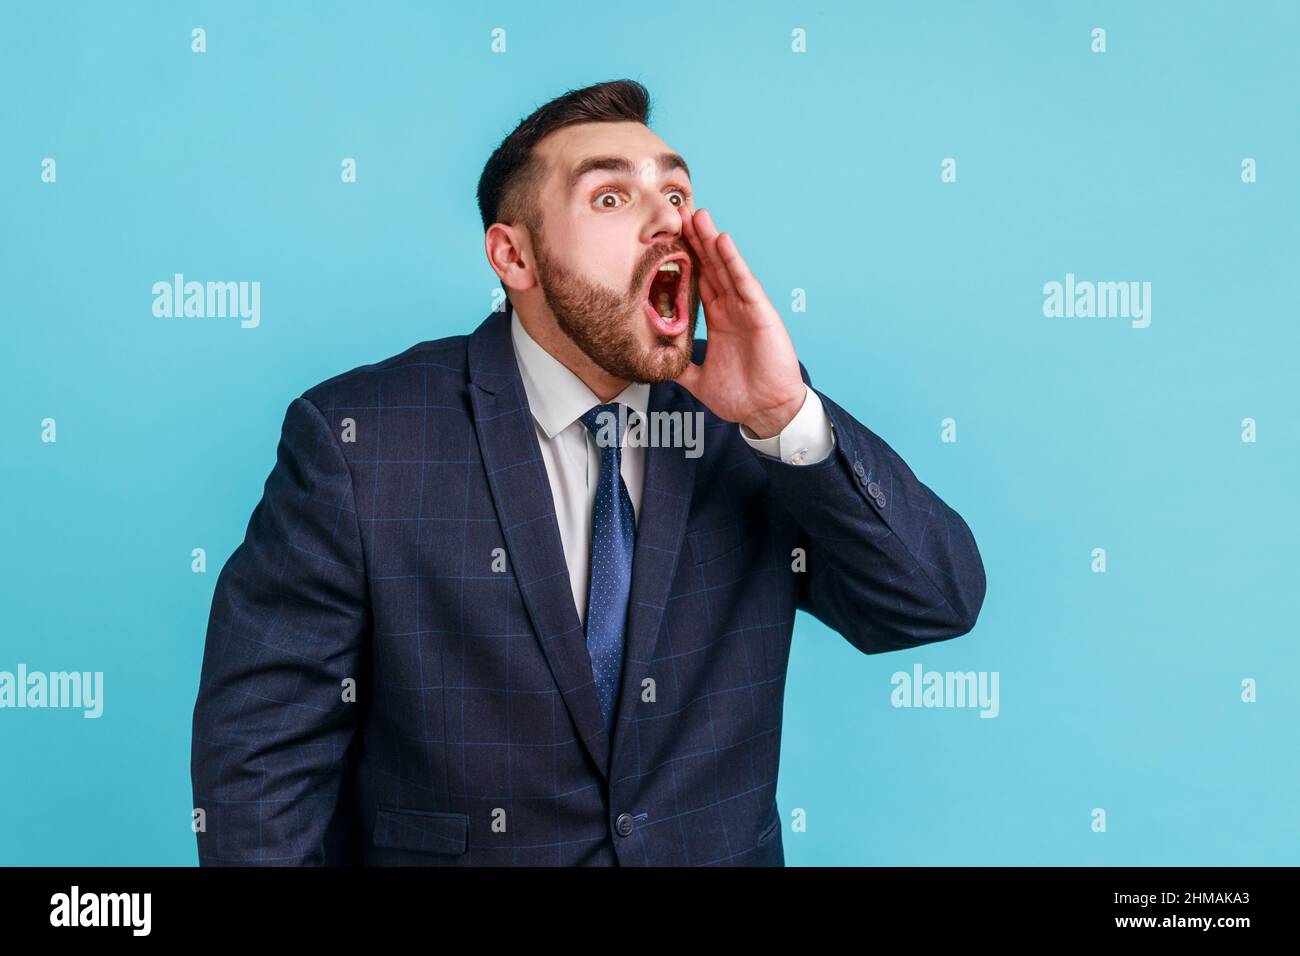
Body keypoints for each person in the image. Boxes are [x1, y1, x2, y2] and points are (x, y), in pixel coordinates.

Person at [190, 78, 986, 866]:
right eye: (611, 198)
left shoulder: (746, 417)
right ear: (515, 257)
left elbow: (932, 603)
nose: (667, 223)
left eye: (675, 193)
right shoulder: (359, 441)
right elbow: (259, 759)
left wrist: (785, 417)